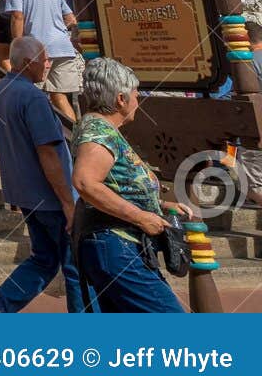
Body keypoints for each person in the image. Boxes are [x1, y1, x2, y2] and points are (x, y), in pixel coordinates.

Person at [0, 38, 88, 313]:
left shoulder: (1, 89)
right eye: (44, 59)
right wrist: (68, 203)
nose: (48, 63)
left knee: (45, 258)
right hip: (49, 196)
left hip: (25, 193)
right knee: (76, 264)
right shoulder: (34, 98)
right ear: (27, 63)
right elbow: (48, 153)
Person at [70, 57, 188, 313]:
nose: (138, 100)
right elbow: (85, 182)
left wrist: (159, 204)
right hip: (115, 244)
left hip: (116, 243)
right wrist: (140, 216)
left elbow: (114, 184)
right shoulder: (98, 131)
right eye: (136, 94)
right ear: (121, 99)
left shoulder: (99, 127)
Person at [1, 0, 81, 120]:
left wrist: (18, 45)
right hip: (63, 48)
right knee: (60, 97)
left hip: (37, 50)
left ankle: (40, 137)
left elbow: (17, 16)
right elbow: (71, 19)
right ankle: (74, 138)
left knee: (33, 97)